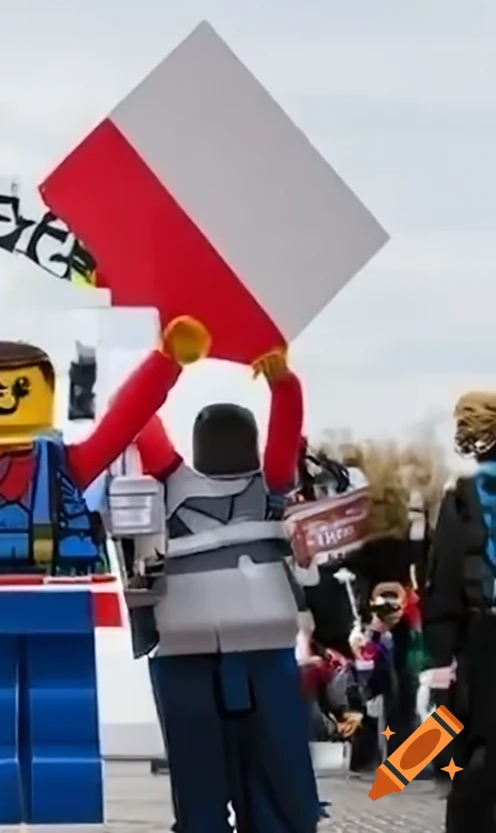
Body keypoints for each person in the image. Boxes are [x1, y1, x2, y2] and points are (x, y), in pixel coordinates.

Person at [0, 265, 205, 826]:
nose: (7, 398)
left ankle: (64, 818)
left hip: (58, 601)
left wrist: (166, 362)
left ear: (47, 392)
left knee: (65, 717)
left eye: (22, 388)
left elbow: (122, 421)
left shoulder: (65, 465)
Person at [111, 350, 318, 833]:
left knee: (263, 776)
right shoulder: (196, 483)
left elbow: (138, 417)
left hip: (247, 646)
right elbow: (137, 415)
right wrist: (281, 383)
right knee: (224, 779)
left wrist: (284, 383)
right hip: (201, 646)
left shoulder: (268, 486)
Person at [422, 391, 496, 833]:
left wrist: (441, 658)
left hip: (483, 638)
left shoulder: (466, 496)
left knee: (478, 759)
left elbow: (445, 579)